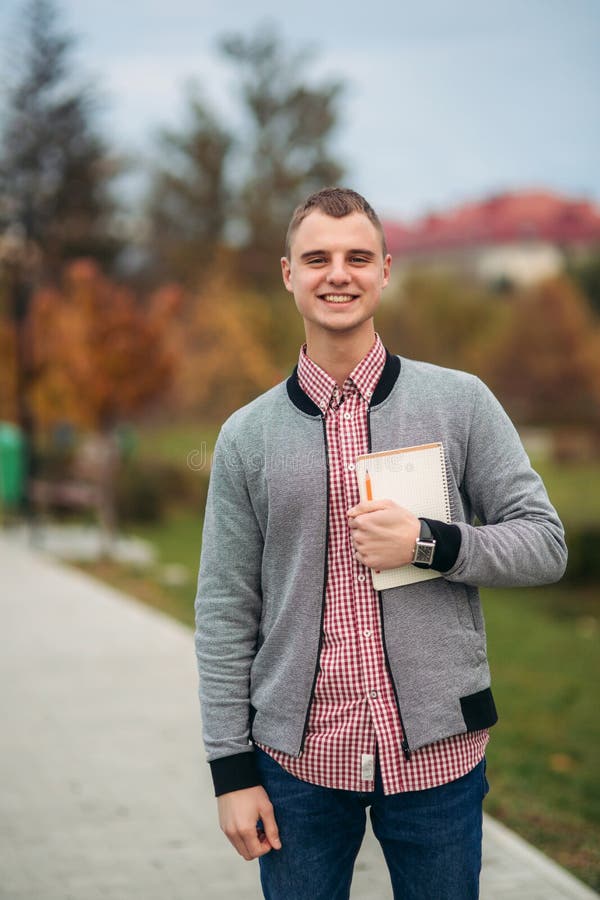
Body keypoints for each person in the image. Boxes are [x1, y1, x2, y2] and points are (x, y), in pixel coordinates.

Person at [194, 187, 567, 899]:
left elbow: (545, 544)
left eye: (357, 257)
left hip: (437, 761)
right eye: (318, 259)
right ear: (288, 274)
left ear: (386, 270)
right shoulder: (246, 436)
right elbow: (223, 609)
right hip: (298, 764)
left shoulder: (460, 403)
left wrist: (430, 542)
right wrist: (231, 772)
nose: (339, 273)